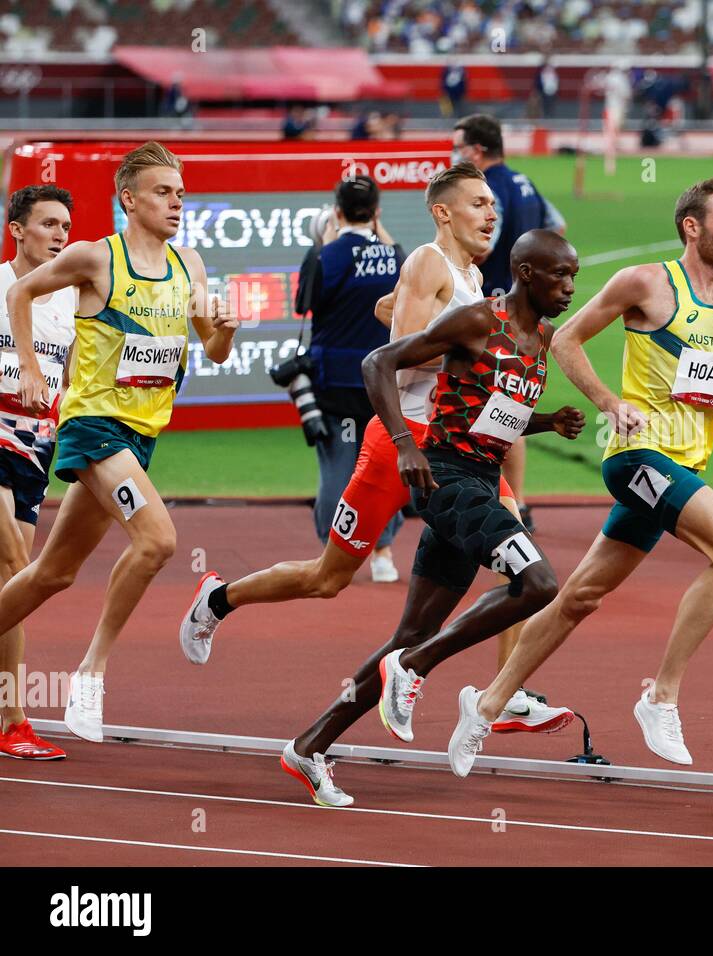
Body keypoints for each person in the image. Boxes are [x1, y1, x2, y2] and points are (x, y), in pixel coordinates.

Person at [427, 178, 713, 775]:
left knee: (579, 598)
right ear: (692, 227)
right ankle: (661, 697)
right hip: (639, 458)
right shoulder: (645, 282)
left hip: (686, 466)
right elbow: (566, 338)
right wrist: (608, 403)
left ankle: (484, 705)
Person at [280, 230, 584, 806]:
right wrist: (404, 444)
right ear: (523, 272)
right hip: (444, 477)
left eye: (573, 275)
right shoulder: (475, 322)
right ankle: (416, 669)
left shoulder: (539, 338)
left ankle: (309, 745)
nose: (569, 288)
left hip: (476, 478)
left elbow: (492, 412)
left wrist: (546, 422)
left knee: (411, 631)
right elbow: (379, 362)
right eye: (559, 275)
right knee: (538, 583)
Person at [0, 141, 237, 741]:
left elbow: (210, 347)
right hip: (93, 429)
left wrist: (225, 333)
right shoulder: (94, 259)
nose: (176, 202)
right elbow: (19, 292)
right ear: (128, 199)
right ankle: (91, 672)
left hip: (140, 436)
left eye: (181, 192)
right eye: (163, 192)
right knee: (157, 540)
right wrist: (30, 366)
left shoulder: (192, 267)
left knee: (51, 573)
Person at [451, 113, 567, 532]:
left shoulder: (488, 190)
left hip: (494, 309)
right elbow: (557, 228)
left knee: (495, 410)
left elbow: (483, 248)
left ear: (477, 150)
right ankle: (518, 502)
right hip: (524, 311)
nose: (454, 153)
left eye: (459, 145)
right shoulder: (524, 182)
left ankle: (503, 504)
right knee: (510, 408)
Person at [0, 185, 78, 760]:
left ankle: (9, 716)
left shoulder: (73, 301)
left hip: (35, 450)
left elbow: (74, 383)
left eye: (66, 226)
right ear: (17, 229)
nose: (60, 234)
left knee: (13, 587)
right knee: (15, 565)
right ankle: (14, 716)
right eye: (48, 223)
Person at [299, 175, 406, 582]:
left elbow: (305, 304)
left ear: (337, 212)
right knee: (381, 467)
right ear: (377, 213)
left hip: (333, 382)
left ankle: (333, 554)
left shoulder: (325, 257)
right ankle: (383, 554)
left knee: (337, 469)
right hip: (381, 382)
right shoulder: (397, 256)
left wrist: (327, 242)